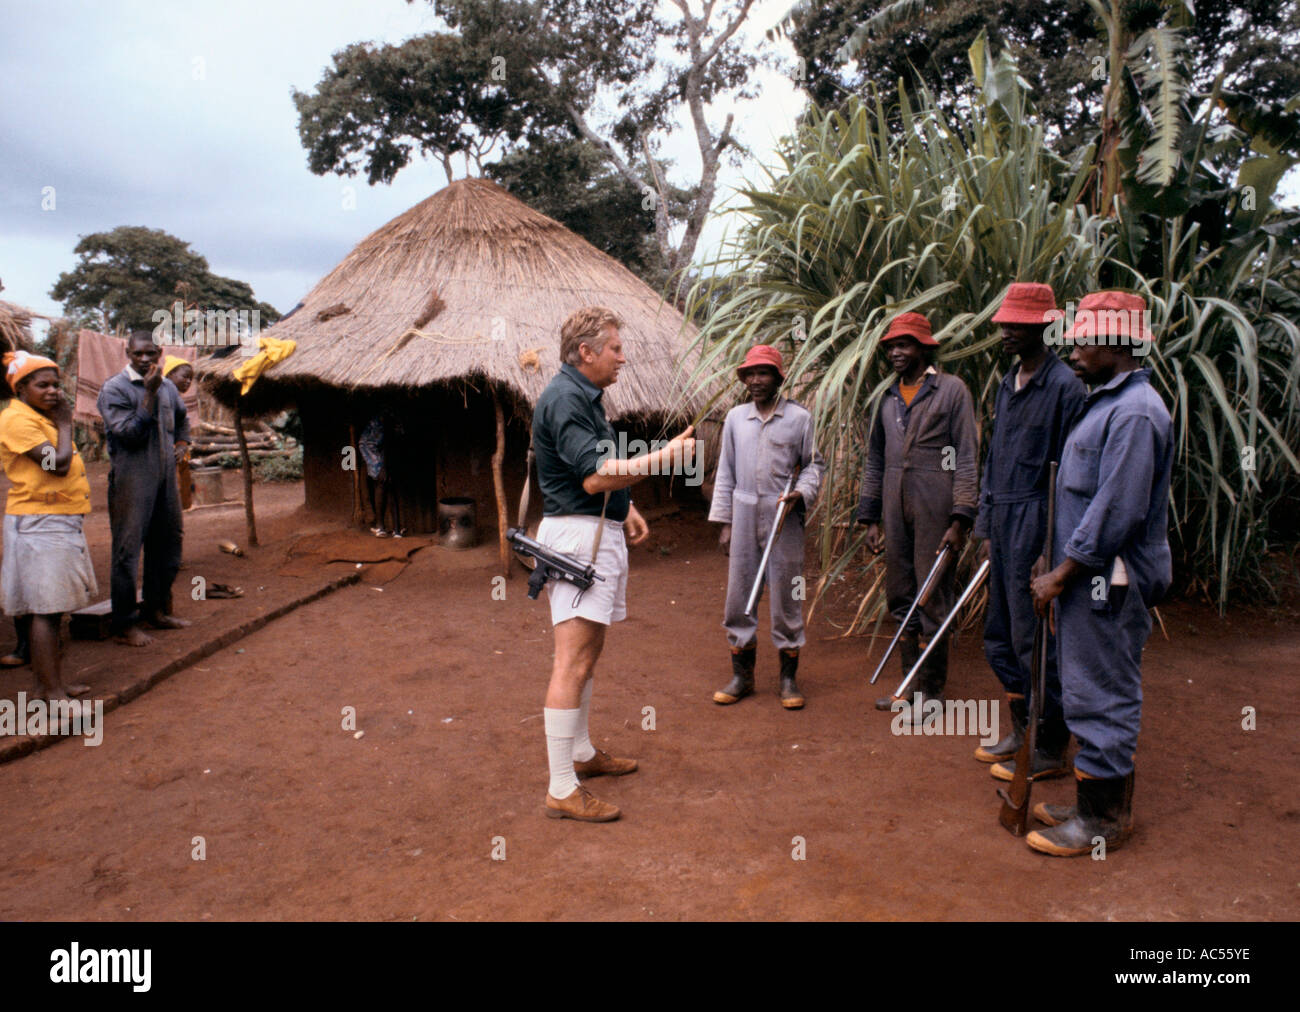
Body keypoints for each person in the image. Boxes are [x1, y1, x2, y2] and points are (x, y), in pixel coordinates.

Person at [532, 306, 696, 822]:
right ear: (586, 352)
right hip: (578, 539)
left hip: (593, 530)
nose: (623, 358)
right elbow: (595, 477)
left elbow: (593, 475)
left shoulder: (583, 398)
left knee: (588, 655)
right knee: (572, 661)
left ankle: (579, 755)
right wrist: (663, 458)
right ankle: (561, 786)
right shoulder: (565, 399)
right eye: (615, 349)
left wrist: (627, 510)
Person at [1028, 291, 1173, 857]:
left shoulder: (1134, 412)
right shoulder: (1107, 403)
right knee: (1086, 680)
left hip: (1108, 577)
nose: (1075, 347)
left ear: (1117, 342)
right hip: (1089, 571)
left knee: (1104, 686)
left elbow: (1116, 510)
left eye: (1086, 337)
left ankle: (1103, 820)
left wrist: (1064, 572)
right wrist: (1057, 558)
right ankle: (1092, 800)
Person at [972, 284, 1086, 781]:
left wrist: (1052, 547)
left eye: (1018, 324)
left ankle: (1049, 746)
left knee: (1036, 639)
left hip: (1040, 521)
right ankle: (1022, 730)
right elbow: (994, 459)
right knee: (1000, 634)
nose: (1007, 332)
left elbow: (1071, 476)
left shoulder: (1064, 387)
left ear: (1044, 327)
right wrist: (986, 524)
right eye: (1005, 323)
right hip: (1004, 517)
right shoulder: (1007, 381)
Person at [855, 312, 978, 710]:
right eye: (891, 346)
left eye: (904, 345)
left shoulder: (952, 391)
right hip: (894, 507)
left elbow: (965, 456)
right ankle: (909, 685)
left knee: (932, 595)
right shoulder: (888, 397)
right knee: (901, 594)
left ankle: (931, 693)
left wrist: (960, 518)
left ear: (925, 348)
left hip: (935, 506)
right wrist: (870, 517)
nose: (895, 352)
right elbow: (874, 460)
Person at [709, 345, 824, 709]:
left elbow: (813, 465)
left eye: (764, 373)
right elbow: (724, 471)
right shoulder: (735, 419)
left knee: (788, 595)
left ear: (778, 378)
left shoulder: (799, 419)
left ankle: (788, 679)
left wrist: (801, 493)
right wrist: (725, 522)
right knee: (739, 595)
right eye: (750, 374)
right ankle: (742, 677)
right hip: (743, 514)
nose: (756, 381)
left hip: (783, 516)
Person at [0, 351, 96, 708]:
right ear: (21, 387)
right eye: (43, 385)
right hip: (40, 522)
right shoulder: (15, 420)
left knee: (53, 609)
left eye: (56, 384)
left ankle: (50, 685)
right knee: (46, 609)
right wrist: (66, 422)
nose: (53, 391)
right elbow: (56, 465)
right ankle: (50, 692)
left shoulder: (39, 418)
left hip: (55, 519)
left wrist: (59, 421)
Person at [97, 331, 191, 647]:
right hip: (131, 480)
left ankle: (156, 610)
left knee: (168, 542)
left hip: (165, 478)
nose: (145, 360)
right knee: (127, 551)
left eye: (151, 353)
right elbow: (129, 434)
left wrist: (182, 442)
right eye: (138, 354)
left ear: (160, 352)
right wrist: (147, 397)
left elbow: (182, 418)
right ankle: (124, 624)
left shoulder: (167, 387)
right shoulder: (115, 389)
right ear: (128, 353)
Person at [359, 409, 403, 537]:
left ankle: (387, 528)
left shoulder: (390, 421)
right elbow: (384, 446)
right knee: (385, 486)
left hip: (385, 459)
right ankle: (390, 529)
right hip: (378, 457)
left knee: (385, 487)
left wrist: (384, 467)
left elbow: (388, 446)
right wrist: (382, 467)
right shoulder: (379, 423)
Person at [163, 357, 195, 510]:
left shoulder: (176, 398)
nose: (188, 381)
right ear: (170, 375)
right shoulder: (160, 392)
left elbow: (182, 421)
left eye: (191, 379)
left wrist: (182, 444)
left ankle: (181, 507)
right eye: (184, 377)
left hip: (175, 448)